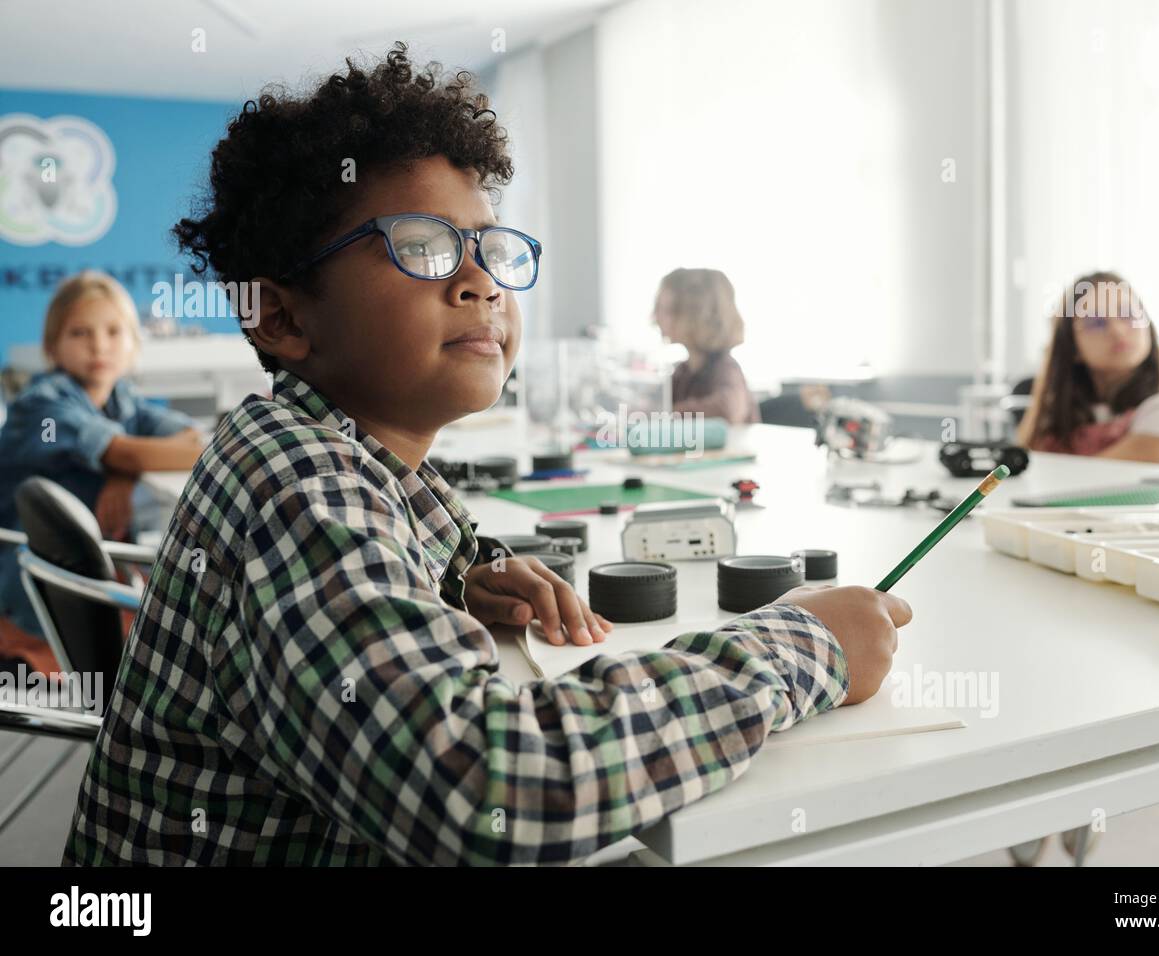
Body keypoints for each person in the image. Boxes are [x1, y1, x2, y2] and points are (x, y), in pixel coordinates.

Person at [63, 45, 911, 866]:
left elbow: (398, 524)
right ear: (283, 319)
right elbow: (488, 788)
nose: (481, 281)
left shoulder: (330, 451)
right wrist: (801, 649)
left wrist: (460, 574)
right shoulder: (297, 487)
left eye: (489, 248)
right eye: (423, 247)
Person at [0, 271, 203, 673]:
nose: (98, 345)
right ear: (52, 346)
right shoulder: (41, 406)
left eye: (113, 332)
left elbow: (193, 441)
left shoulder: (123, 401)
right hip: (33, 591)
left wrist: (122, 475)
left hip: (88, 581)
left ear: (133, 345)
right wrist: (125, 462)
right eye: (80, 333)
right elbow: (127, 452)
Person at [1016, 271, 1159, 464]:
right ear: (1072, 347)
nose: (1117, 330)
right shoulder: (1055, 417)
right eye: (1096, 322)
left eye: (1129, 315)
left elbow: (1090, 481)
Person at [653, 267, 760, 424]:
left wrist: (665, 413)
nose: (655, 317)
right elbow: (654, 405)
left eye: (667, 310)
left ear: (696, 316)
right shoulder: (683, 372)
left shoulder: (725, 368)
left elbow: (728, 410)